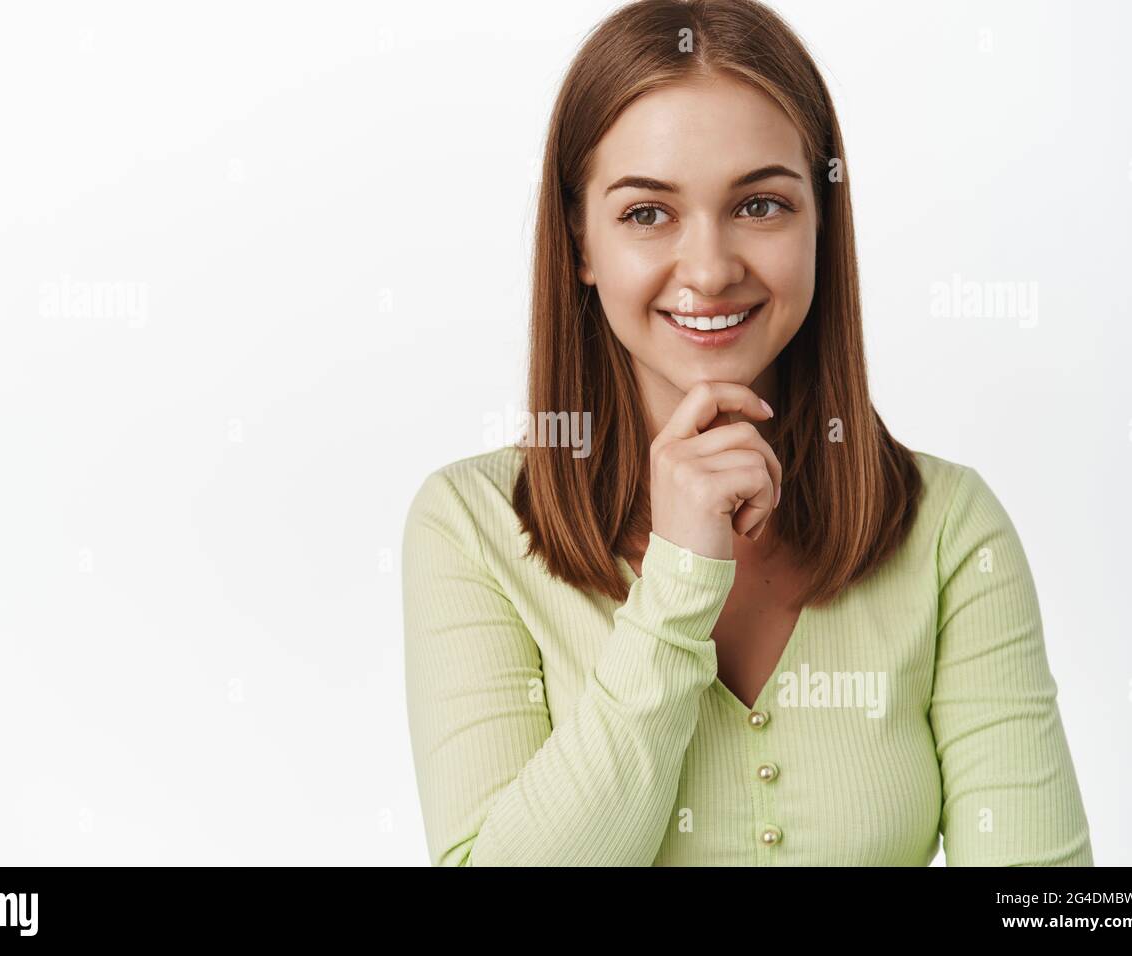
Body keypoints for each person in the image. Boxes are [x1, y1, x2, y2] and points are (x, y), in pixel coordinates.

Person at [402, 0, 1093, 866]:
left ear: (821, 224)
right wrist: (679, 582)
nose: (710, 269)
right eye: (647, 213)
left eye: (760, 205)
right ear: (580, 239)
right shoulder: (469, 526)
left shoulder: (951, 529)